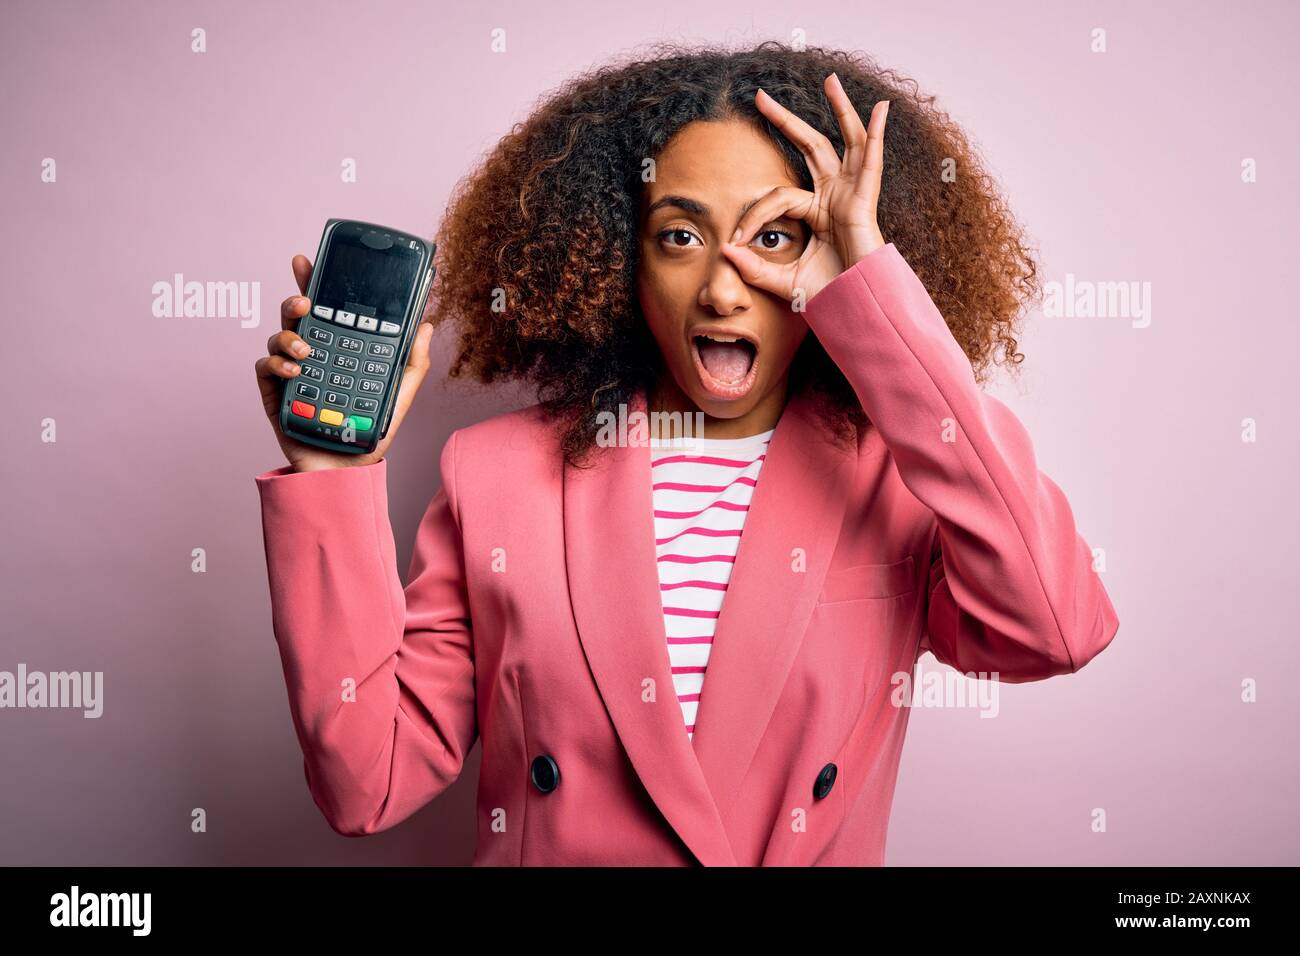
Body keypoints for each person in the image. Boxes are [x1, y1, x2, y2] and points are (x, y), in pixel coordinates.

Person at [252, 42, 1119, 866]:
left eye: (774, 237)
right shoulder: (492, 475)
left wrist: (871, 298)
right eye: (679, 235)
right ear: (613, 258)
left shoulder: (899, 477)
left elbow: (1055, 630)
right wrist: (327, 479)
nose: (721, 285)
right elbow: (364, 783)